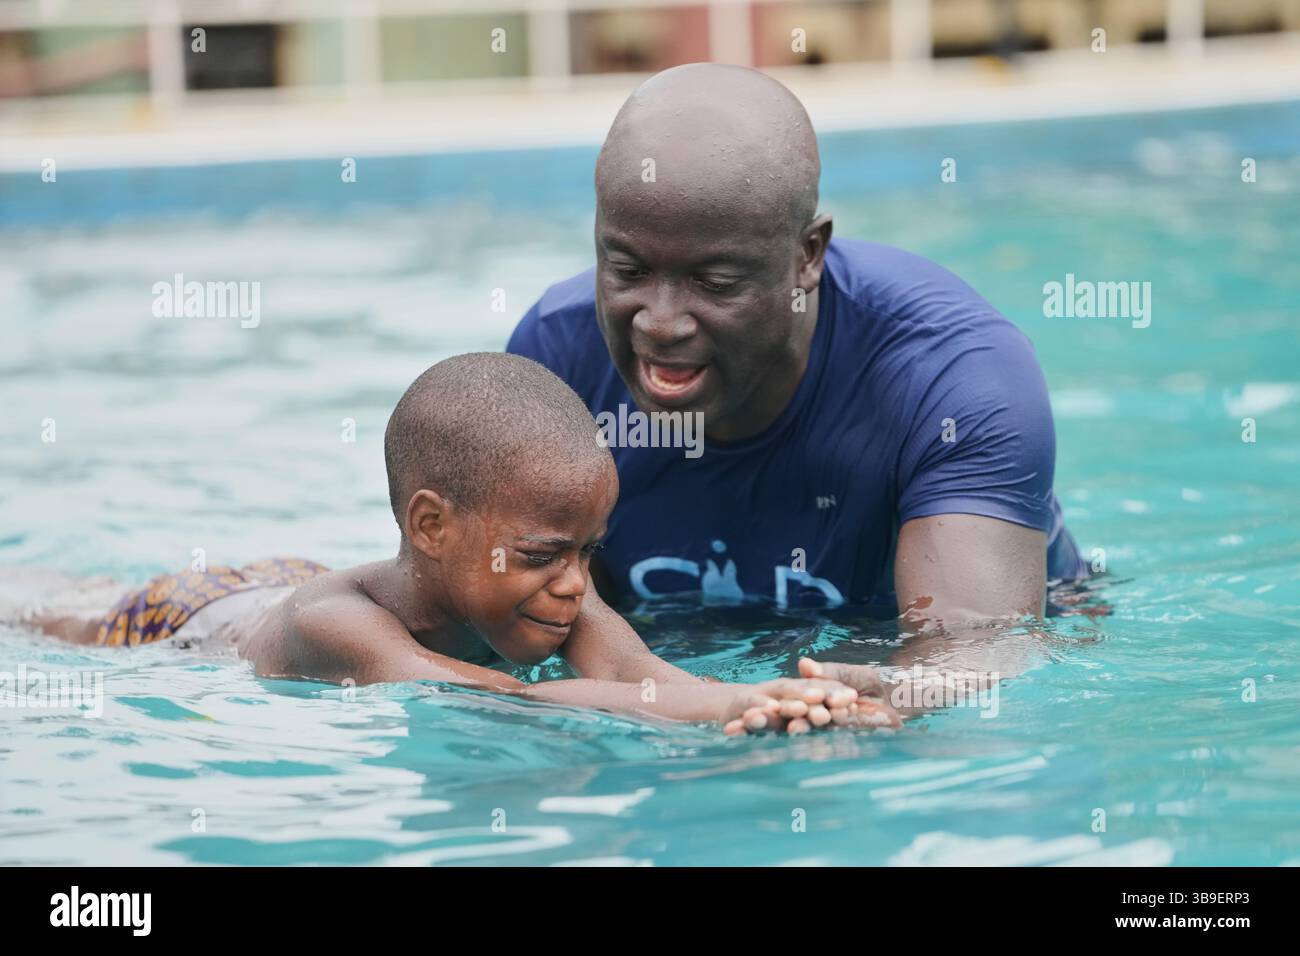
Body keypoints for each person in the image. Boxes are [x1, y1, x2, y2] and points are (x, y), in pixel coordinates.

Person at [508, 63, 1088, 660]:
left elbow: (975, 652)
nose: (659, 322)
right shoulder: (556, 360)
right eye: (628, 271)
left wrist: (868, 706)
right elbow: (509, 613)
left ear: (808, 256)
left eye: (715, 282)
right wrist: (687, 708)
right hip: (684, 652)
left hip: (889, 652)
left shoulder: (955, 376)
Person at [18, 353, 898, 736]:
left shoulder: (547, 576)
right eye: (550, 552)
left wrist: (766, 699)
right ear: (432, 527)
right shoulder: (337, 632)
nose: (575, 586)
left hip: (293, 573)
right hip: (194, 617)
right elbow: (502, 698)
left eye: (590, 552)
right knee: (53, 615)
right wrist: (721, 712)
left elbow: (648, 683)